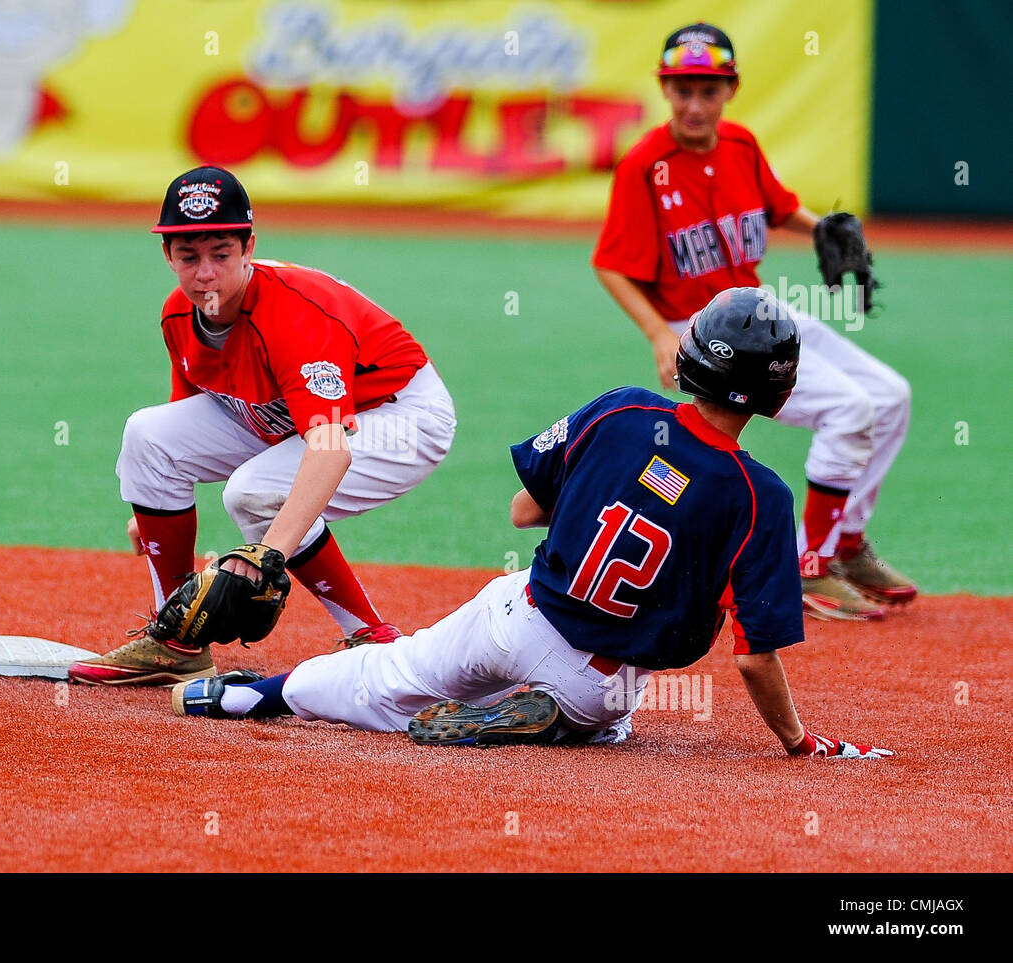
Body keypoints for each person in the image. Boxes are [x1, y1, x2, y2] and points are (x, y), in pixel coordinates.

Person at [168, 288, 894, 760]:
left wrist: (608, 489)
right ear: (779, 391)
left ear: (691, 356)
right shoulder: (758, 495)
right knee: (613, 721)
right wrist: (799, 742)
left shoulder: (621, 407)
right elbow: (754, 656)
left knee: (390, 674)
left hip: (515, 613)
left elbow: (523, 510)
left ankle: (244, 694)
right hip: (598, 678)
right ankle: (557, 718)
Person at [69, 166, 457, 685]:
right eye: (188, 256)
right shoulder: (178, 314)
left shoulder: (296, 316)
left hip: (396, 414)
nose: (204, 272)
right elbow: (192, 398)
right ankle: (175, 639)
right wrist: (153, 503)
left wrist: (268, 553)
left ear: (249, 246)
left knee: (253, 492)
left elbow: (331, 449)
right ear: (168, 256)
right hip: (277, 409)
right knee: (147, 434)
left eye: (221, 254)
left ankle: (372, 636)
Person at [592, 21, 915, 621]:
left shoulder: (739, 145)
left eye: (708, 90)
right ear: (665, 88)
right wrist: (660, 334)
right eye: (682, 89)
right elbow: (611, 264)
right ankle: (807, 566)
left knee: (891, 396)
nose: (694, 103)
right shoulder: (645, 165)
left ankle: (844, 544)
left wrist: (823, 228)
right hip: (703, 326)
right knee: (850, 410)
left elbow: (779, 205)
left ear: (730, 89)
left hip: (756, 310)